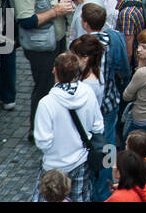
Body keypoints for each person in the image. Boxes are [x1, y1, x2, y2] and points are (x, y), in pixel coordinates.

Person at [32, 51, 103, 202]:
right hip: (80, 162)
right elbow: (98, 127)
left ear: (54, 70)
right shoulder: (88, 92)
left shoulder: (47, 103)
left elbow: (43, 142)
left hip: (53, 165)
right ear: (77, 72)